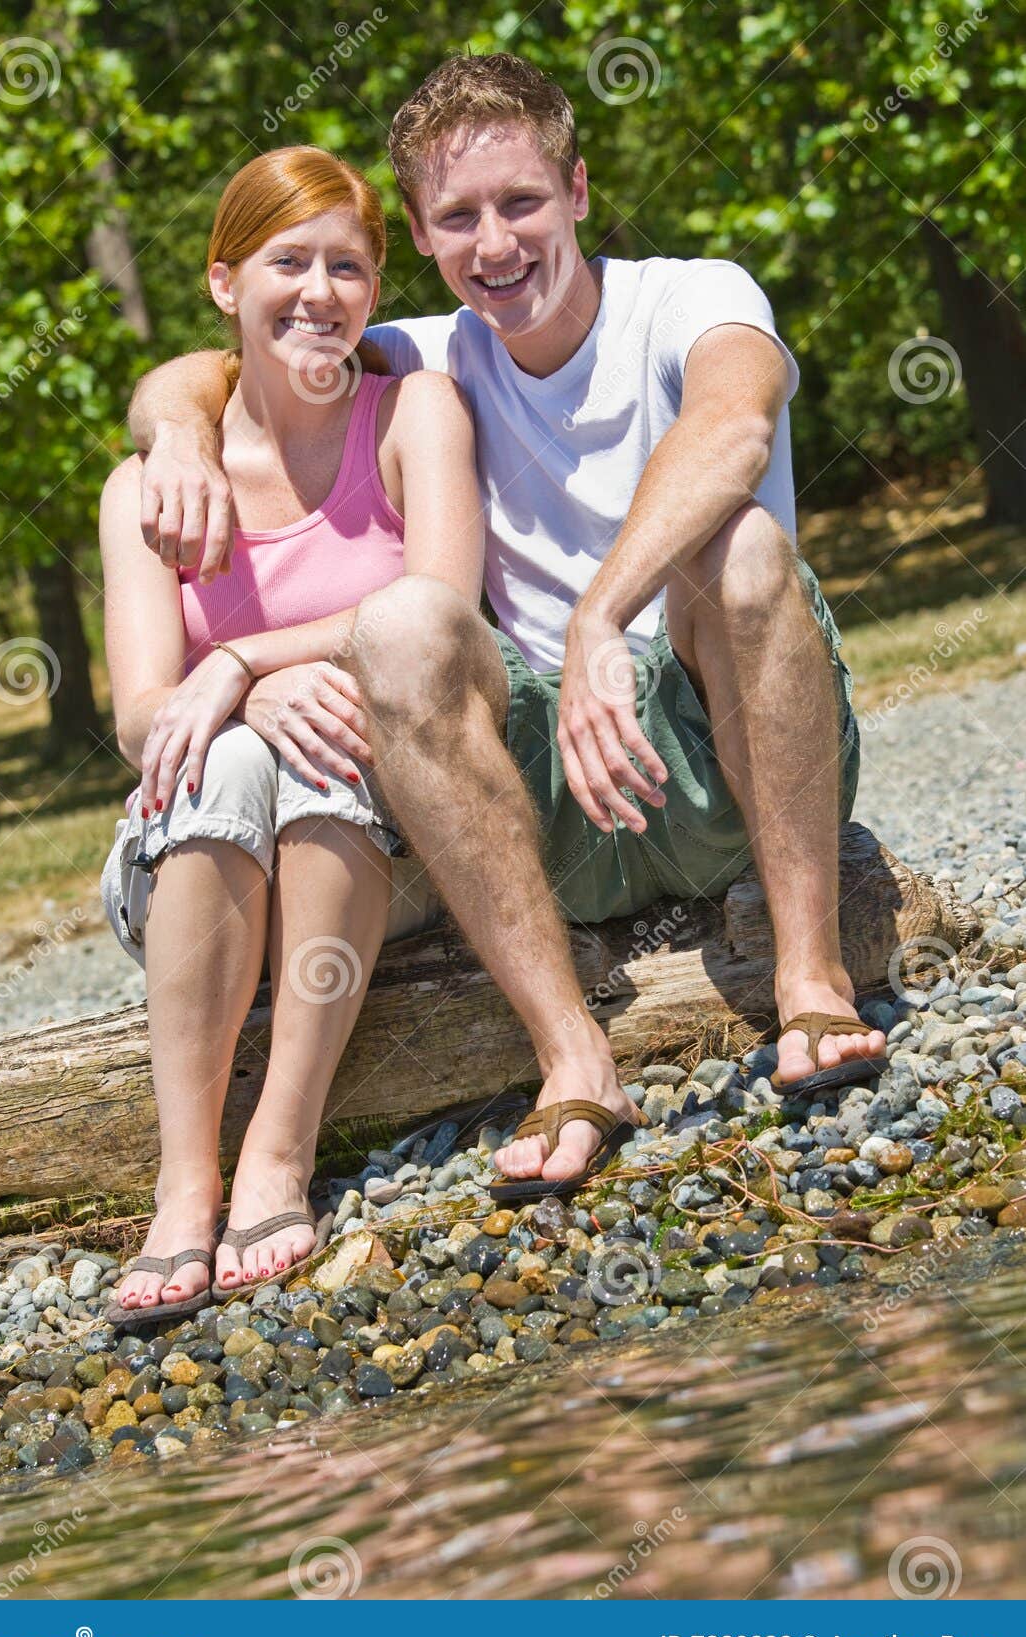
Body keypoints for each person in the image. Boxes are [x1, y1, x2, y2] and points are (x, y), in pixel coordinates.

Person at [126, 54, 886, 1208]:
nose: (495, 245)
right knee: (402, 626)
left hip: (722, 739)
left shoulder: (694, 297)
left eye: (521, 203)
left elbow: (731, 429)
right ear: (422, 244)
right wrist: (173, 430)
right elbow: (231, 348)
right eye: (456, 218)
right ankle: (571, 1055)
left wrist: (598, 620)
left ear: (577, 191)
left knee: (735, 550)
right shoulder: (432, 348)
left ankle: (809, 976)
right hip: (547, 800)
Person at [100, 145, 481, 1319]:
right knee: (225, 744)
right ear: (225, 283)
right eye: (287, 262)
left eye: (348, 267)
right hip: (194, 850)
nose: (320, 291)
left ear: (375, 288)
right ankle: (182, 1185)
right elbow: (136, 716)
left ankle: (279, 1147)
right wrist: (238, 693)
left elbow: (442, 613)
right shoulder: (148, 484)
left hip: (378, 831)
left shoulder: (412, 410)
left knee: (319, 729)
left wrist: (241, 662)